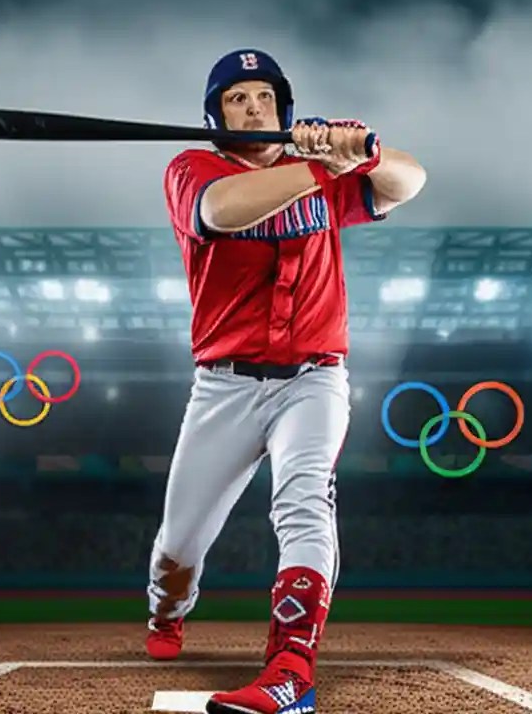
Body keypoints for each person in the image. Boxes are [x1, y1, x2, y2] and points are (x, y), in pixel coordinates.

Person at [145, 48, 427, 714]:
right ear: (215, 116)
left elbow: (410, 182)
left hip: (314, 380)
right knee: (176, 549)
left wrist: (365, 149)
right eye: (237, 99)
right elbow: (223, 211)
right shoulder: (192, 169)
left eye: (264, 97)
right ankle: (168, 611)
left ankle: (291, 667)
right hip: (224, 387)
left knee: (304, 502)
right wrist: (317, 165)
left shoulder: (322, 174)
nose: (253, 107)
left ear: (284, 108)